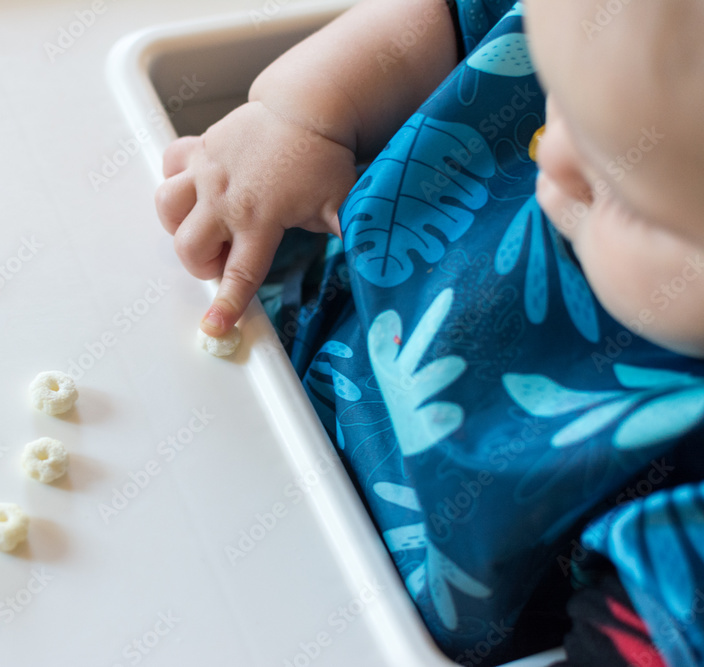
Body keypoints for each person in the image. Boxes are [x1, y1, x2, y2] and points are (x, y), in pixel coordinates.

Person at [156, 0, 704, 665]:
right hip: (269, 353)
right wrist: (299, 117)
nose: (548, 154)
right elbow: (447, 17)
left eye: (618, 188)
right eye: (553, 97)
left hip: (347, 609)